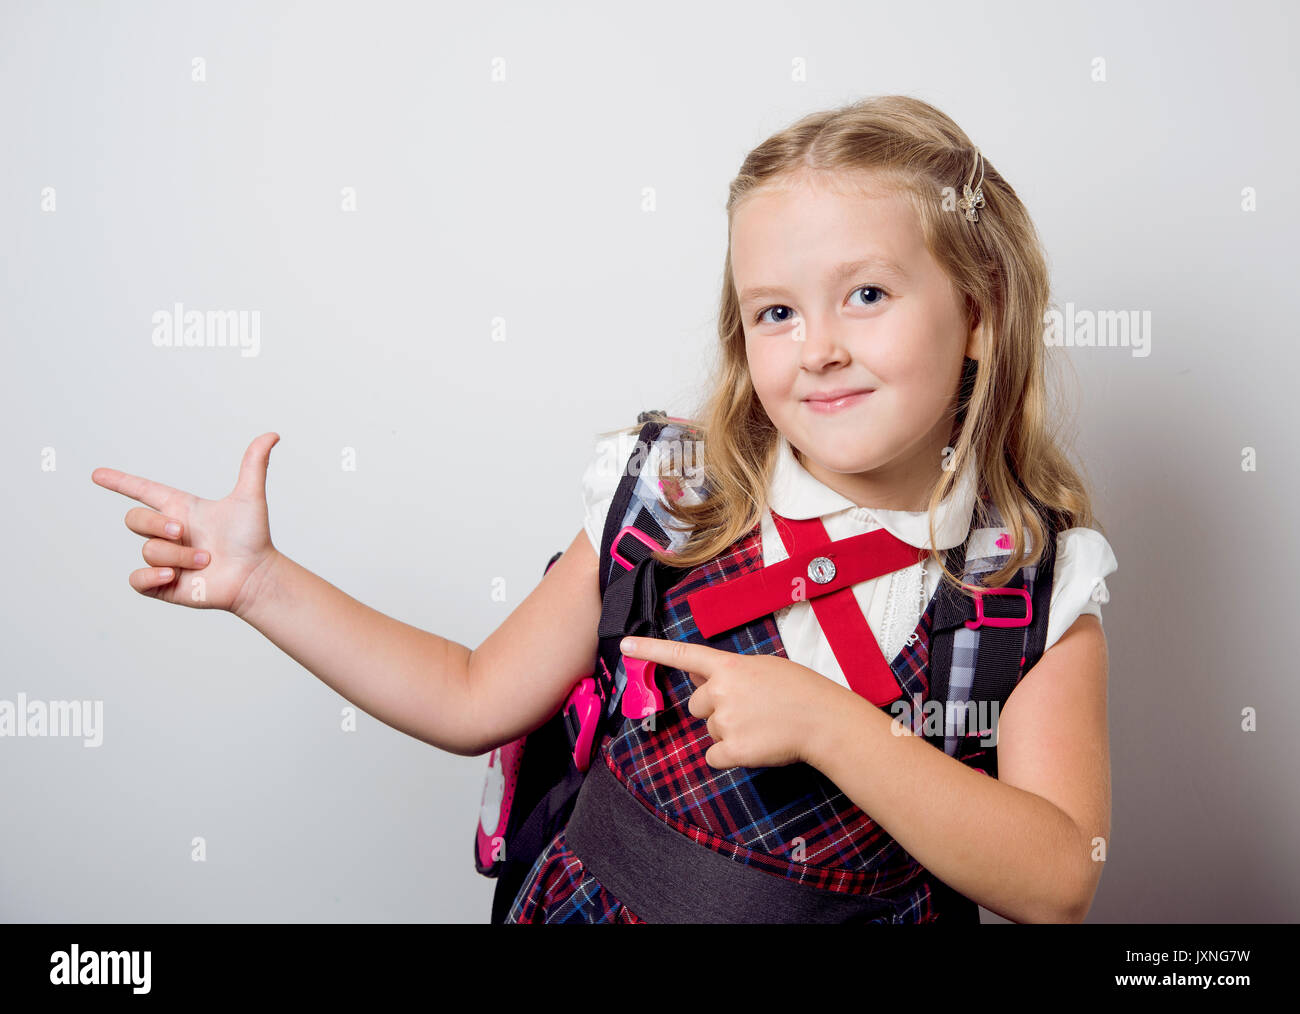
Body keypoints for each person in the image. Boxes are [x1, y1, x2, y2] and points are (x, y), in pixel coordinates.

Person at [91, 94, 1116, 925]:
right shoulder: (672, 498)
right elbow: (466, 696)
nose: (817, 349)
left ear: (978, 311)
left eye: (866, 295)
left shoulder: (1025, 578)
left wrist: (831, 726)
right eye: (776, 312)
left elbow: (1057, 878)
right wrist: (261, 583)